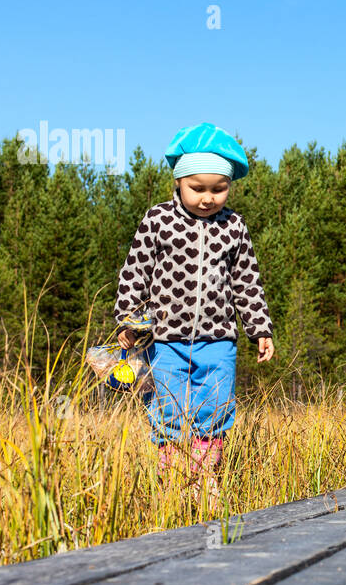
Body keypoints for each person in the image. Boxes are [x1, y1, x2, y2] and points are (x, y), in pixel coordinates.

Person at [112, 122, 275, 514]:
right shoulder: (158, 221)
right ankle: (173, 481)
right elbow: (135, 271)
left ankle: (205, 479)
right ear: (179, 181)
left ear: (229, 185)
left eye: (218, 188)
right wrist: (129, 320)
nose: (207, 198)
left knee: (215, 406)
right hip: (164, 337)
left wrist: (259, 328)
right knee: (166, 407)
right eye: (197, 188)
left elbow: (246, 280)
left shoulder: (233, 226)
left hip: (218, 338)